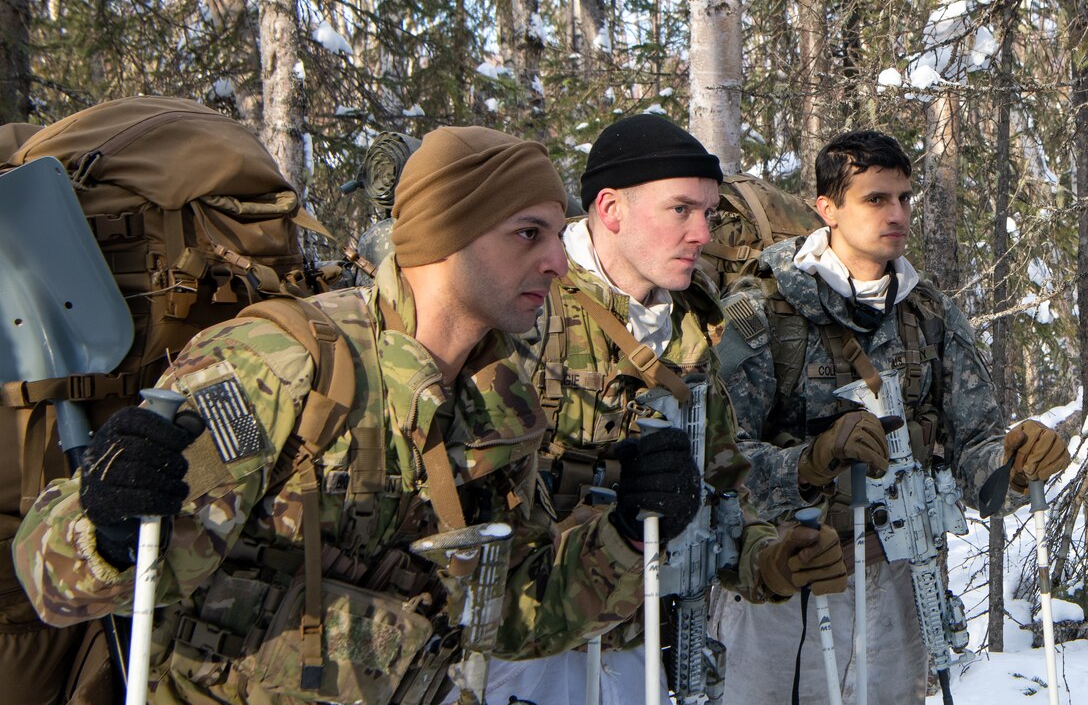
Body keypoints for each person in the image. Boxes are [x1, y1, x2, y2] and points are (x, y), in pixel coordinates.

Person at [12, 126, 682, 704]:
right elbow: (53, 578)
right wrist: (107, 525)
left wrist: (624, 532)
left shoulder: (495, 405)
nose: (559, 262)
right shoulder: (285, 364)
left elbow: (505, 616)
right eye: (529, 234)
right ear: (447, 238)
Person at [448, 114, 848, 705]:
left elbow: (717, 486)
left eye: (709, 214)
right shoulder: (528, 308)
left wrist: (771, 557)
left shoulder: (691, 322)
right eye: (681, 210)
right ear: (610, 210)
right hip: (527, 653)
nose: (701, 233)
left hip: (642, 640)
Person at [710, 129, 1072, 703]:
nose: (896, 213)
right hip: (791, 576)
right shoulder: (762, 310)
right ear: (827, 208)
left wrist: (1016, 462)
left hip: (898, 575)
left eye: (904, 197)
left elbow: (972, 446)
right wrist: (811, 461)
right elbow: (721, 467)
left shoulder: (929, 314)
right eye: (875, 199)